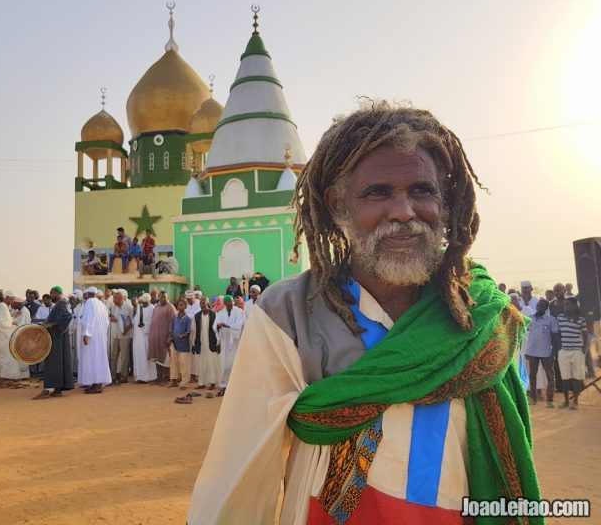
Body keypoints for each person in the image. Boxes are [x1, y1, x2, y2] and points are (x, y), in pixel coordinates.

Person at [188, 103, 539, 524]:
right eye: (378, 192)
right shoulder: (291, 313)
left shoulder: (480, 316)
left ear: (444, 201)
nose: (404, 212)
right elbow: (239, 470)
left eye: (422, 191)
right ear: (338, 206)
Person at [32, 287, 74, 399]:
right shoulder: (60, 304)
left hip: (56, 339)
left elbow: (67, 317)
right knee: (58, 364)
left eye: (52, 293)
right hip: (57, 338)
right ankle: (57, 389)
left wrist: (53, 326)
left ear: (58, 293)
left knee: (52, 364)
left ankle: (49, 389)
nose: (50, 295)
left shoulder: (61, 303)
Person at [523, 299, 558, 407]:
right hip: (532, 352)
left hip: (546, 352)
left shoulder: (551, 320)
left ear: (546, 308)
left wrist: (553, 353)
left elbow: (555, 337)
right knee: (532, 375)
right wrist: (527, 351)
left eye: (542, 306)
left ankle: (550, 400)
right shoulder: (531, 318)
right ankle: (533, 398)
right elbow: (527, 334)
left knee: (550, 376)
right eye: (538, 306)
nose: (539, 308)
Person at [78, 287, 111, 394]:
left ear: (88, 294)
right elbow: (106, 322)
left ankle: (97, 385)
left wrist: (87, 334)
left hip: (92, 337)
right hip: (99, 336)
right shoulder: (101, 304)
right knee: (98, 359)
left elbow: (90, 318)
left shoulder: (90, 302)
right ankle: (95, 383)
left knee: (92, 359)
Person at [556, 296, 588, 409]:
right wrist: (560, 348)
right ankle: (566, 401)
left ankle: (575, 400)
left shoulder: (581, 320)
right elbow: (557, 334)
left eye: (567, 304)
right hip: (564, 351)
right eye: (564, 305)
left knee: (577, 377)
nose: (565, 307)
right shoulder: (559, 318)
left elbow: (585, 336)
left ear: (575, 306)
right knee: (565, 377)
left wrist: (584, 350)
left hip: (577, 351)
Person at [212, 295, 244, 397]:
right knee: (224, 365)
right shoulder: (220, 313)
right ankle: (223, 386)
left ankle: (235, 387)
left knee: (233, 364)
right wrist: (218, 327)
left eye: (232, 302)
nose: (231, 304)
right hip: (225, 342)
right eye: (229, 302)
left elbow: (239, 325)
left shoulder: (239, 312)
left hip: (235, 343)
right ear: (225, 304)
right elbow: (215, 326)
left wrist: (228, 326)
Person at [0, 291, 20, 386]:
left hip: (4, 337)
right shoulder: (2, 307)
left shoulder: (4, 307)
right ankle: (2, 381)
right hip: (4, 337)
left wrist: (13, 319)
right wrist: (13, 324)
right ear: (7, 297)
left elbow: (5, 320)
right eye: (12, 299)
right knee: (7, 359)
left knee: (2, 359)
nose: (13, 301)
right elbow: (2, 324)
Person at [148, 290, 176, 383]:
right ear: (158, 298)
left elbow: (173, 323)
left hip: (164, 337)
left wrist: (170, 336)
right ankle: (159, 376)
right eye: (161, 297)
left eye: (164, 297)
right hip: (155, 336)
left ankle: (167, 377)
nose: (163, 299)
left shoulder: (170, 307)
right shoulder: (156, 307)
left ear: (167, 298)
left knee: (165, 357)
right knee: (157, 357)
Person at [193, 297, 219, 391]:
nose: (202, 305)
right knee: (201, 364)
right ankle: (201, 383)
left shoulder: (213, 314)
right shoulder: (197, 316)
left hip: (211, 343)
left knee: (212, 363)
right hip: (201, 343)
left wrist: (218, 342)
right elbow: (195, 331)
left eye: (204, 303)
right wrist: (194, 344)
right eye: (201, 303)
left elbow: (216, 330)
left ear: (208, 304)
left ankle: (212, 382)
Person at [109, 289, 133, 384]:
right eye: (114, 298)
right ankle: (112, 376)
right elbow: (111, 317)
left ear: (121, 298)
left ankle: (123, 376)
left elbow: (131, 322)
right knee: (113, 356)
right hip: (115, 334)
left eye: (115, 298)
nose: (114, 300)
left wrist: (125, 330)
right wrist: (112, 318)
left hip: (124, 336)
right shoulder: (114, 307)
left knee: (124, 357)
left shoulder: (129, 308)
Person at [132, 292, 157, 383]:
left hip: (146, 336)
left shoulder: (152, 308)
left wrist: (145, 325)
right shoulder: (140, 307)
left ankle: (148, 377)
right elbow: (136, 319)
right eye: (143, 302)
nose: (144, 304)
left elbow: (153, 321)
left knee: (145, 356)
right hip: (138, 336)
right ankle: (139, 376)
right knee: (138, 355)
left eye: (146, 302)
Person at [170, 299, 192, 391]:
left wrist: (182, 336)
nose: (180, 307)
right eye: (179, 305)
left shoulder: (188, 319)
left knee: (184, 364)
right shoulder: (175, 318)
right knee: (174, 363)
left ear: (185, 306)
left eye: (182, 305)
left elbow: (189, 332)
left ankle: (184, 383)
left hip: (184, 344)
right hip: (175, 343)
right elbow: (172, 329)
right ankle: (174, 381)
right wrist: (170, 338)